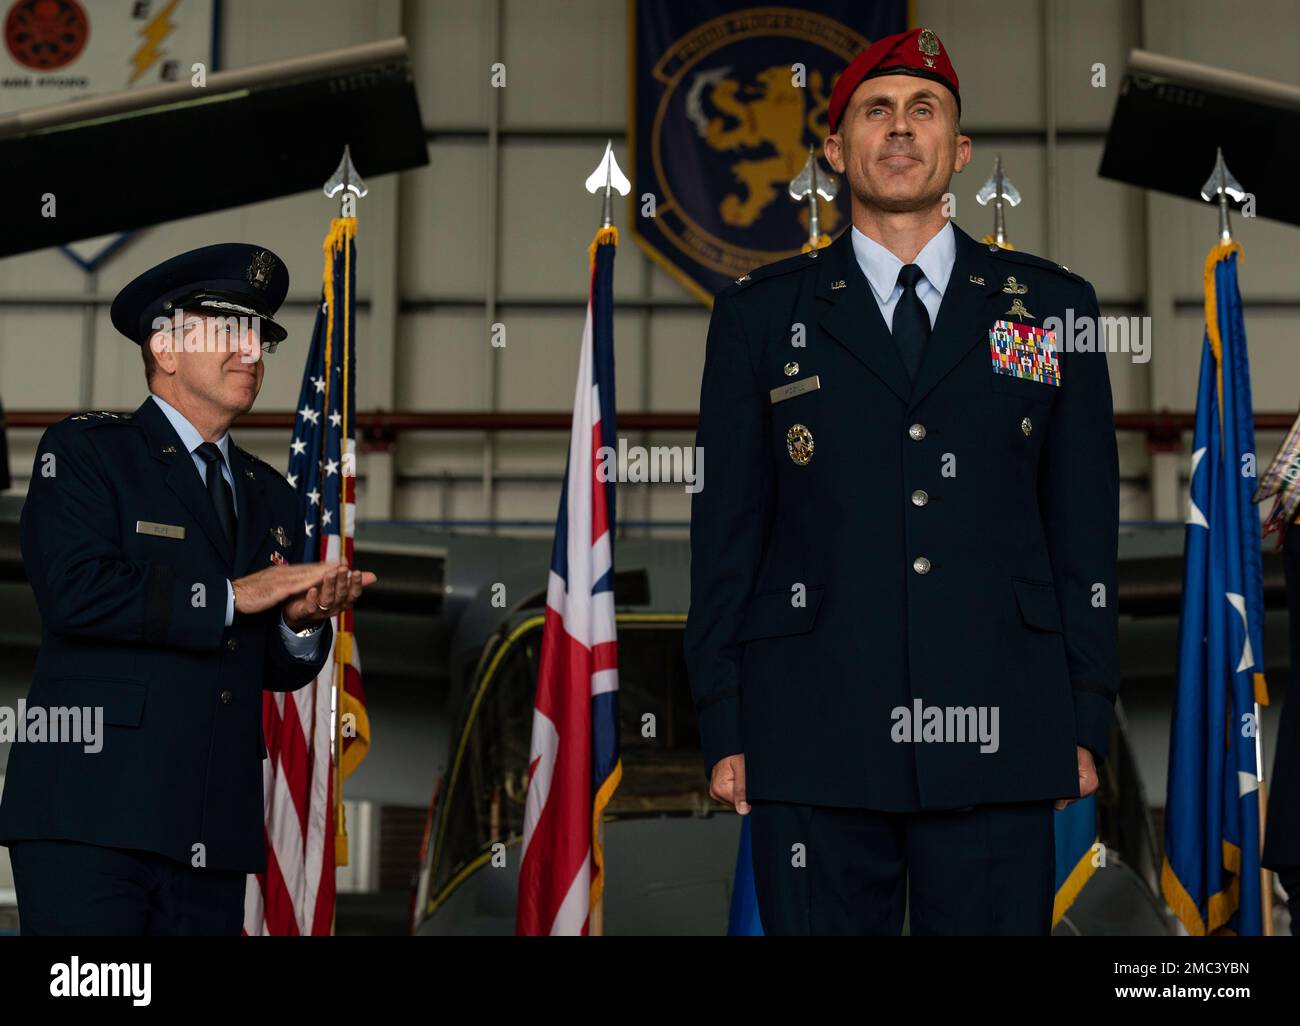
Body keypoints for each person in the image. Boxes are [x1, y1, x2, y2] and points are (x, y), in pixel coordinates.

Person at [684, 27, 1120, 935]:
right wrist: (726, 725)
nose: (900, 129)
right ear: (836, 150)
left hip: (1001, 725)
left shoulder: (1051, 308)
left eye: (924, 111)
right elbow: (725, 536)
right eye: (875, 111)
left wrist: (1083, 716)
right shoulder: (761, 317)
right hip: (811, 731)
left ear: (958, 151)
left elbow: (1083, 529)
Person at [0, 243, 377, 935]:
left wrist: (300, 622)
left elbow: (270, 666)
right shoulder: (86, 453)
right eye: (229, 332)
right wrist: (235, 596)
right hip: (93, 819)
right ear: (165, 349)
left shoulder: (273, 498)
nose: (252, 353)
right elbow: (73, 591)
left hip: (211, 829)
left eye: (260, 336)